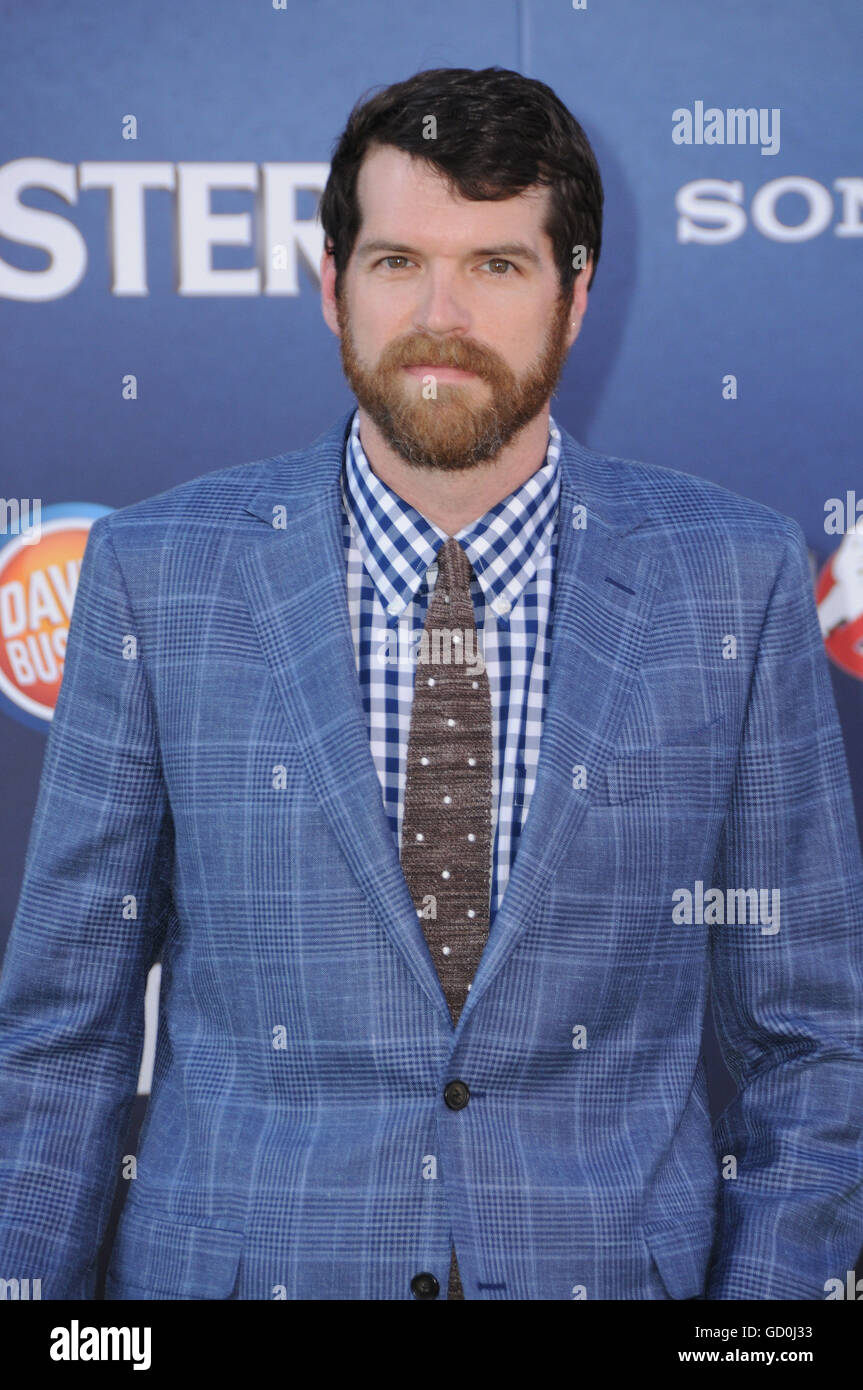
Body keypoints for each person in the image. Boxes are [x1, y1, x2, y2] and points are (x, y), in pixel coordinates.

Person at [1, 65, 862, 1301]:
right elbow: (59, 1038)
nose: (439, 314)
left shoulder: (731, 579)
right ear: (329, 286)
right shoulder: (159, 575)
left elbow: (812, 1042)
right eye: (397, 261)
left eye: (496, 266)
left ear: (574, 298)